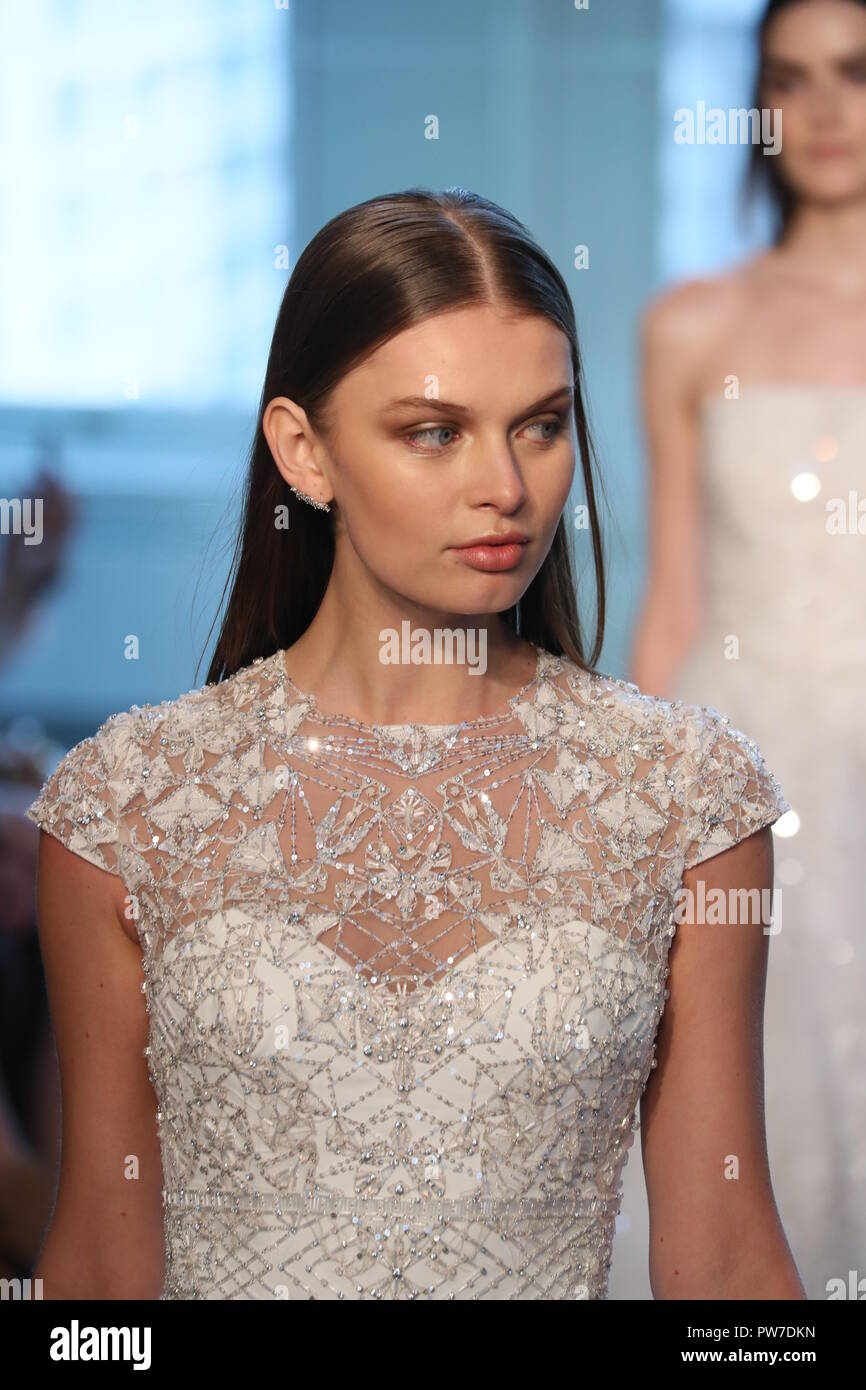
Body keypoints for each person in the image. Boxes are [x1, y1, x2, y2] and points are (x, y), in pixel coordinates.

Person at [25, 187, 803, 1300]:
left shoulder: (683, 797)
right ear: (303, 451)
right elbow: (100, 1270)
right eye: (433, 432)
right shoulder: (129, 804)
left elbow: (727, 1262)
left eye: (539, 424)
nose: (505, 489)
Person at [629, 0, 866, 1300]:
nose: (822, 109)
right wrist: (623, 822)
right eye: (788, 78)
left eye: (854, 73)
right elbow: (672, 598)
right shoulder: (690, 325)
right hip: (741, 773)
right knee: (739, 1106)